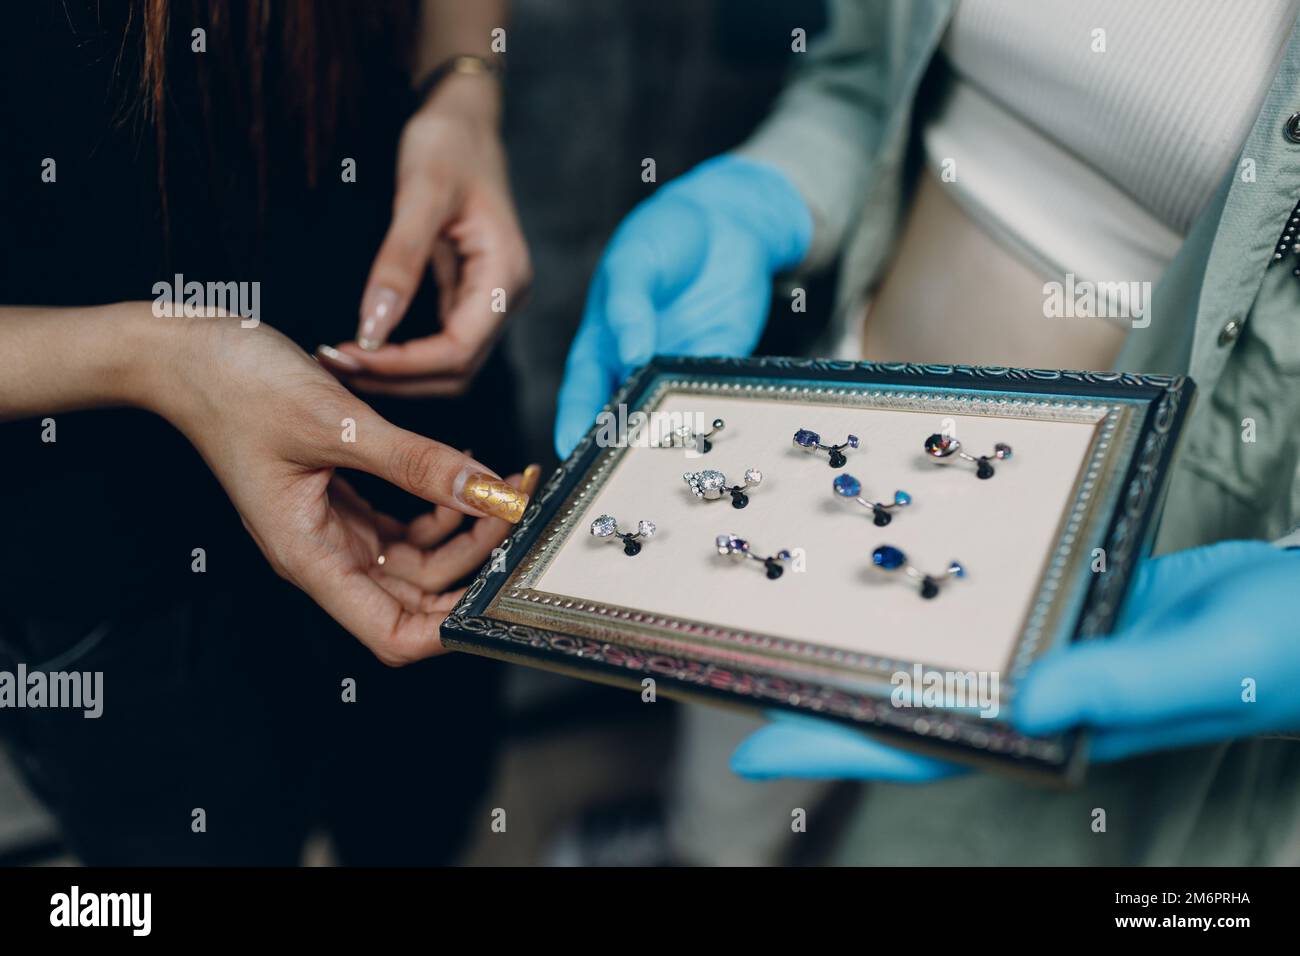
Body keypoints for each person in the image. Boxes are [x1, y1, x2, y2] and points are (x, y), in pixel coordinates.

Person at [557, 0, 1300, 865]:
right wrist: (769, 190)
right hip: (821, 446)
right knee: (727, 782)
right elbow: (861, 79)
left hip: (1126, 575)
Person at [0, 0, 531, 864]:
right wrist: (159, 359)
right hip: (100, 535)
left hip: (411, 406)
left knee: (425, 802)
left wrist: (463, 86)